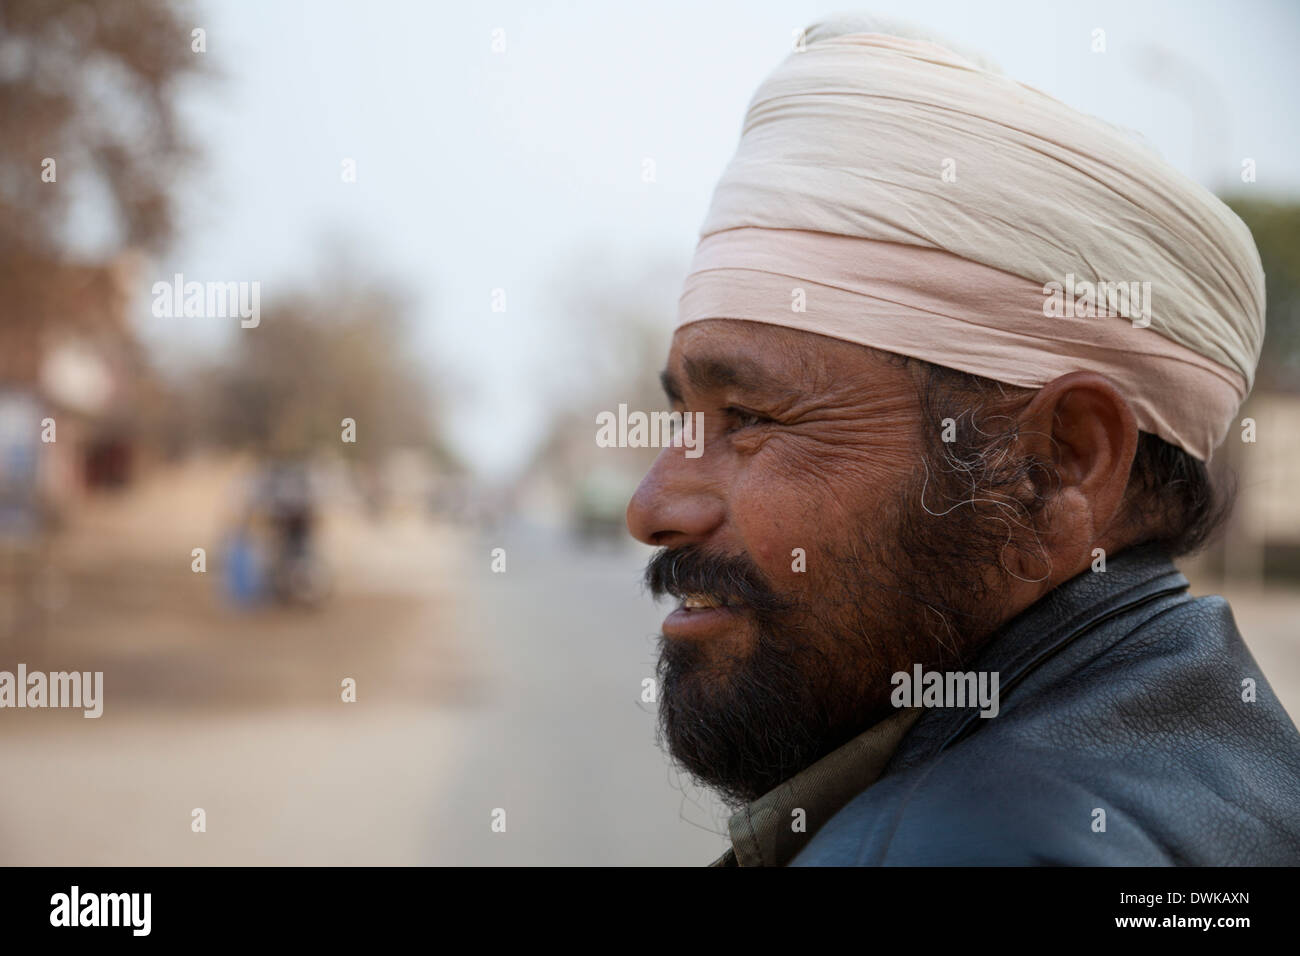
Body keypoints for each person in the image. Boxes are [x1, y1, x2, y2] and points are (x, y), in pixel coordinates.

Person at [625, 13, 1300, 865]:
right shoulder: (1249, 768)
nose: (650, 508)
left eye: (751, 420)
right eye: (684, 418)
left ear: (1059, 465)